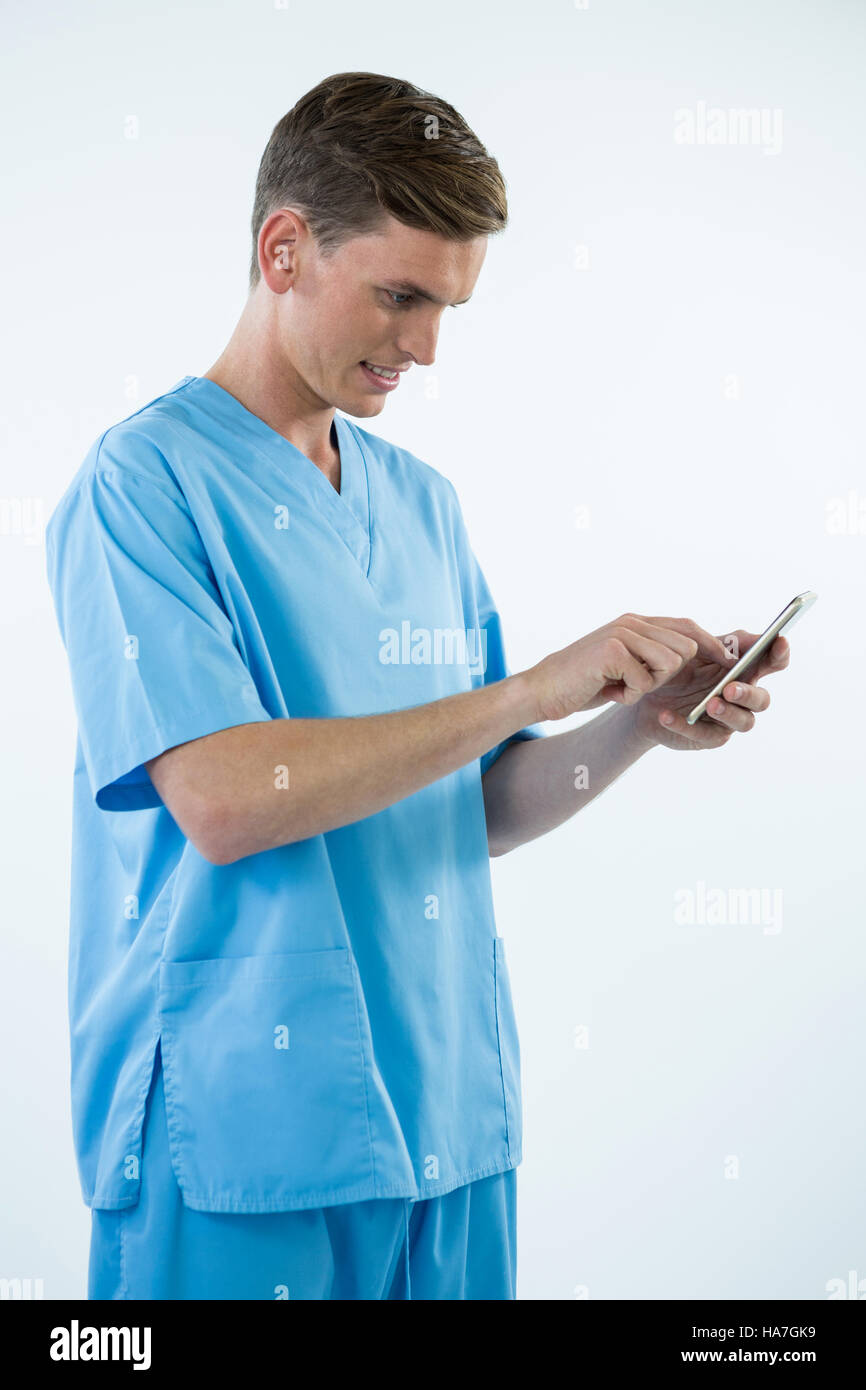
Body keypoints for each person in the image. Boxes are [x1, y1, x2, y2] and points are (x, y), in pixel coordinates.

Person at [44, 70, 789, 1301]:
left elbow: (478, 803)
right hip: (243, 1136)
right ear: (283, 249)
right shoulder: (143, 487)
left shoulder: (421, 508)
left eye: (448, 307)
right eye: (398, 296)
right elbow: (227, 800)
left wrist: (633, 726)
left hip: (445, 1125)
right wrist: (525, 686)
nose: (426, 348)